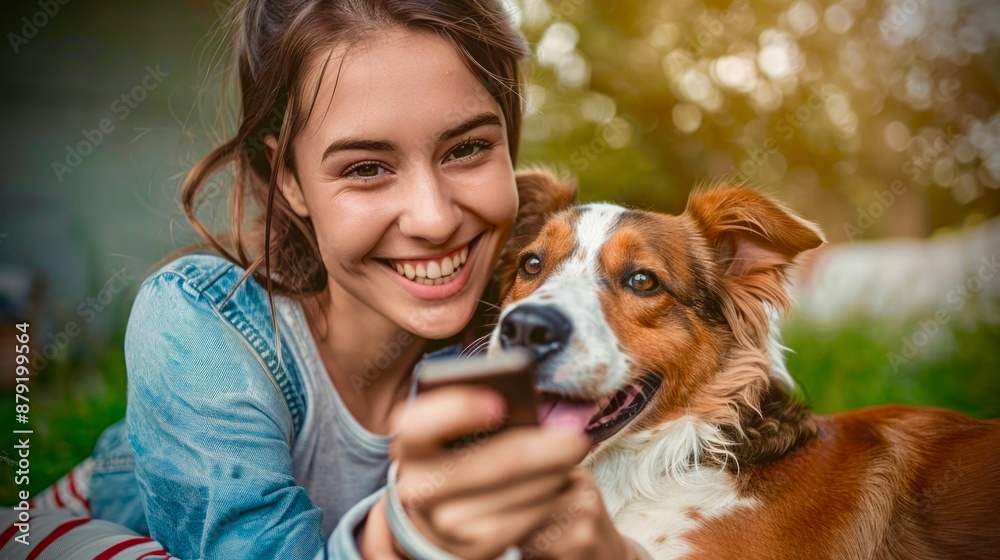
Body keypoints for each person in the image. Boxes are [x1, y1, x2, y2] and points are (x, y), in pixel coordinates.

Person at [0, 1, 654, 559]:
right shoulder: (198, 324)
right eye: (367, 168)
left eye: (466, 149)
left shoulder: (522, 326)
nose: (433, 219)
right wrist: (396, 534)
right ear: (289, 178)